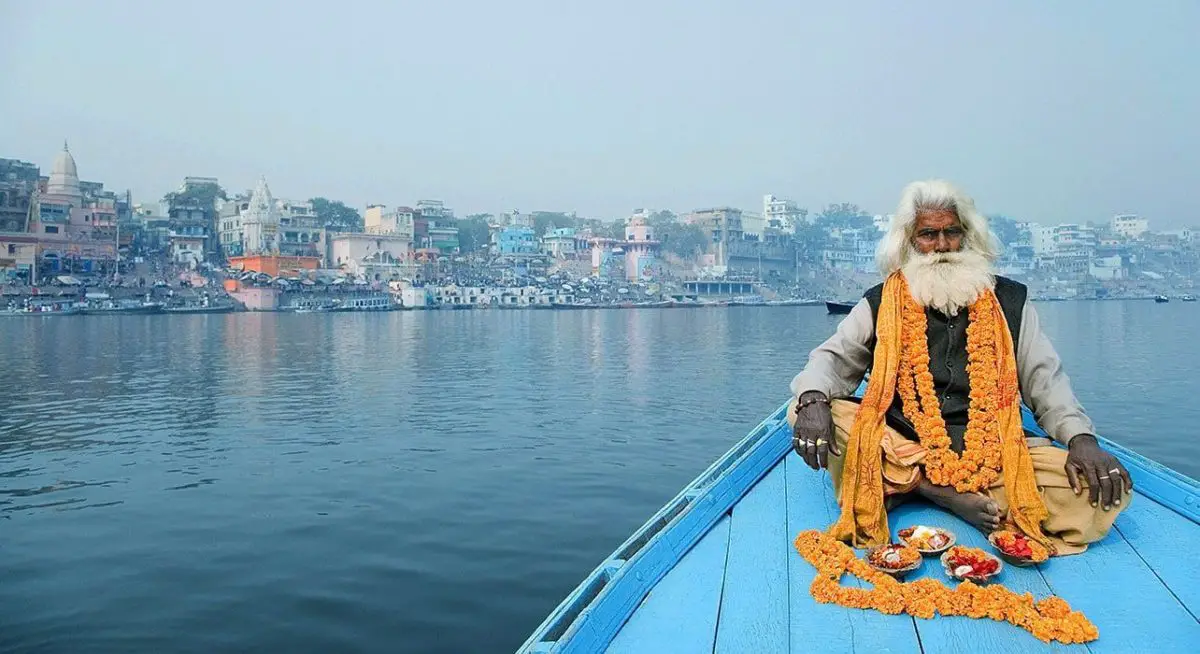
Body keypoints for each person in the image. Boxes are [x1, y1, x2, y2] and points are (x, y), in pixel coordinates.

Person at [788, 179, 1131, 555]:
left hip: (995, 448)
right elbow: (832, 360)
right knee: (806, 407)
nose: (941, 246)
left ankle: (905, 487)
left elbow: (1045, 381)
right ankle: (932, 490)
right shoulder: (882, 301)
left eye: (952, 232)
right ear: (908, 242)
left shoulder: (1009, 301)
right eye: (928, 235)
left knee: (1100, 497)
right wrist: (813, 398)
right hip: (908, 442)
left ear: (968, 236)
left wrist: (1082, 440)